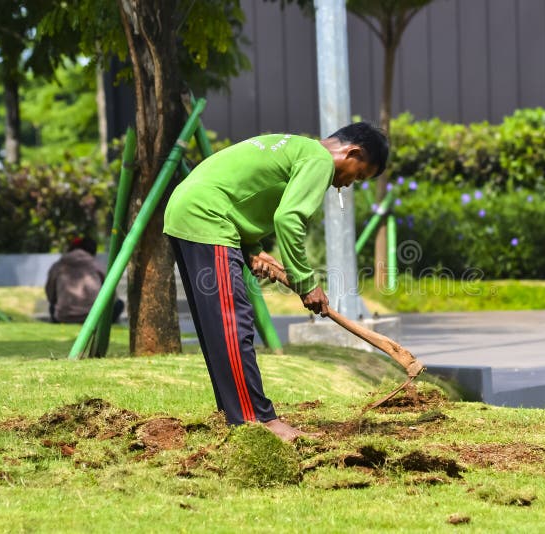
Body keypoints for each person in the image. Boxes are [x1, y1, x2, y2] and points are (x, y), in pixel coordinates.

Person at [163, 122, 388, 441]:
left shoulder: (297, 148)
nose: (348, 184)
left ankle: (235, 417)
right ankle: (258, 420)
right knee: (232, 325)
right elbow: (289, 219)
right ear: (353, 152)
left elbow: (244, 192)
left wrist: (253, 250)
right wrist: (306, 282)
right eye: (359, 174)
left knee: (219, 330)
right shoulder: (320, 160)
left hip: (189, 212)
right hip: (207, 217)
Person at [45, 236, 124, 324]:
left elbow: (50, 295)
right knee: (119, 303)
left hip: (64, 316)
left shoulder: (59, 265)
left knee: (52, 306)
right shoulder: (96, 265)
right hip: (94, 316)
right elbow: (111, 292)